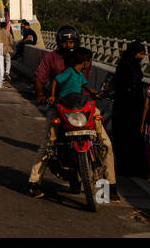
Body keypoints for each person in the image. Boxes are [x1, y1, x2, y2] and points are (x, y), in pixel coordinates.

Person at [29, 45, 116, 199]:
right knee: (48, 144)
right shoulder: (53, 60)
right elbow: (50, 80)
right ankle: (34, 182)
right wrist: (50, 96)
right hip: (62, 108)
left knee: (104, 143)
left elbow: (85, 85)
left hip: (81, 108)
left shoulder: (80, 73)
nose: (68, 45)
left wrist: (92, 91)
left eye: (71, 42)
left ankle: (110, 185)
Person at [110, 41, 148, 176]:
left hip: (133, 107)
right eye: (140, 53)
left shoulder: (132, 65)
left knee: (132, 138)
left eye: (143, 54)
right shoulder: (126, 66)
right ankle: (126, 168)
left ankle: (131, 168)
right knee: (125, 138)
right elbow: (124, 86)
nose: (142, 56)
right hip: (125, 107)